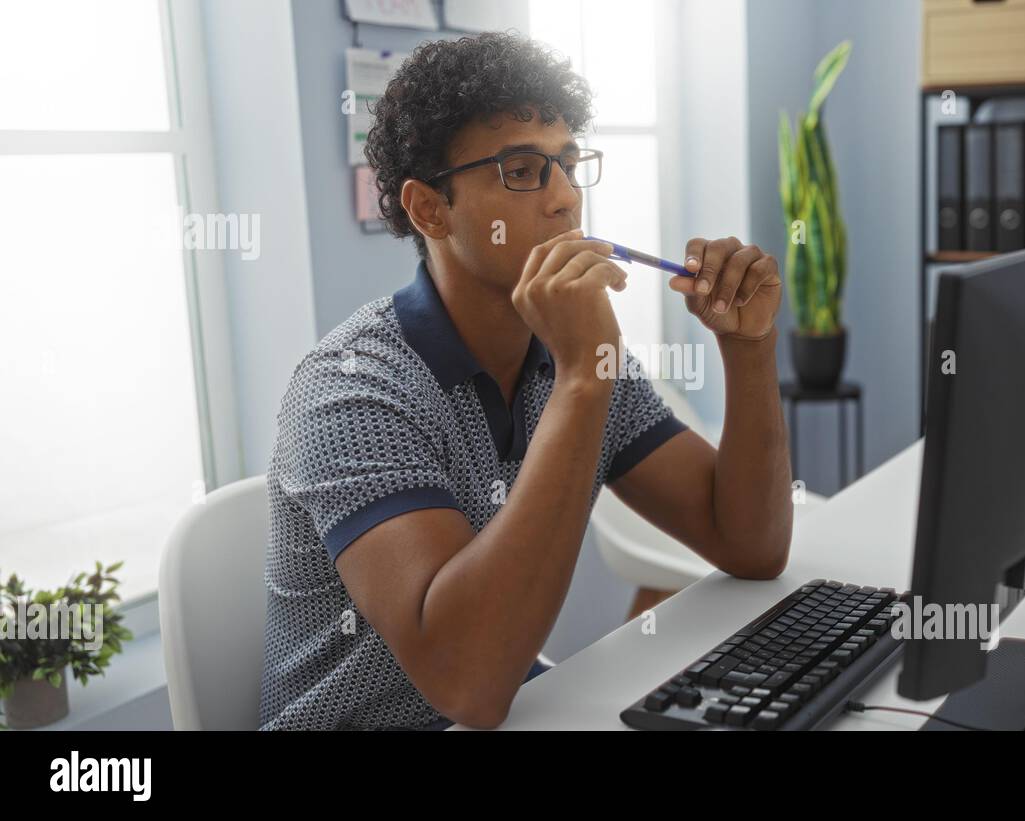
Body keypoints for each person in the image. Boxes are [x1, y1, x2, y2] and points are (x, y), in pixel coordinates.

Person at [258, 32, 791, 730]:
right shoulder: (351, 393)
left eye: (568, 164)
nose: (568, 198)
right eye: (522, 169)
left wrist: (747, 346)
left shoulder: (571, 354)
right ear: (429, 209)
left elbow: (749, 544)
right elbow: (468, 685)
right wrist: (580, 380)